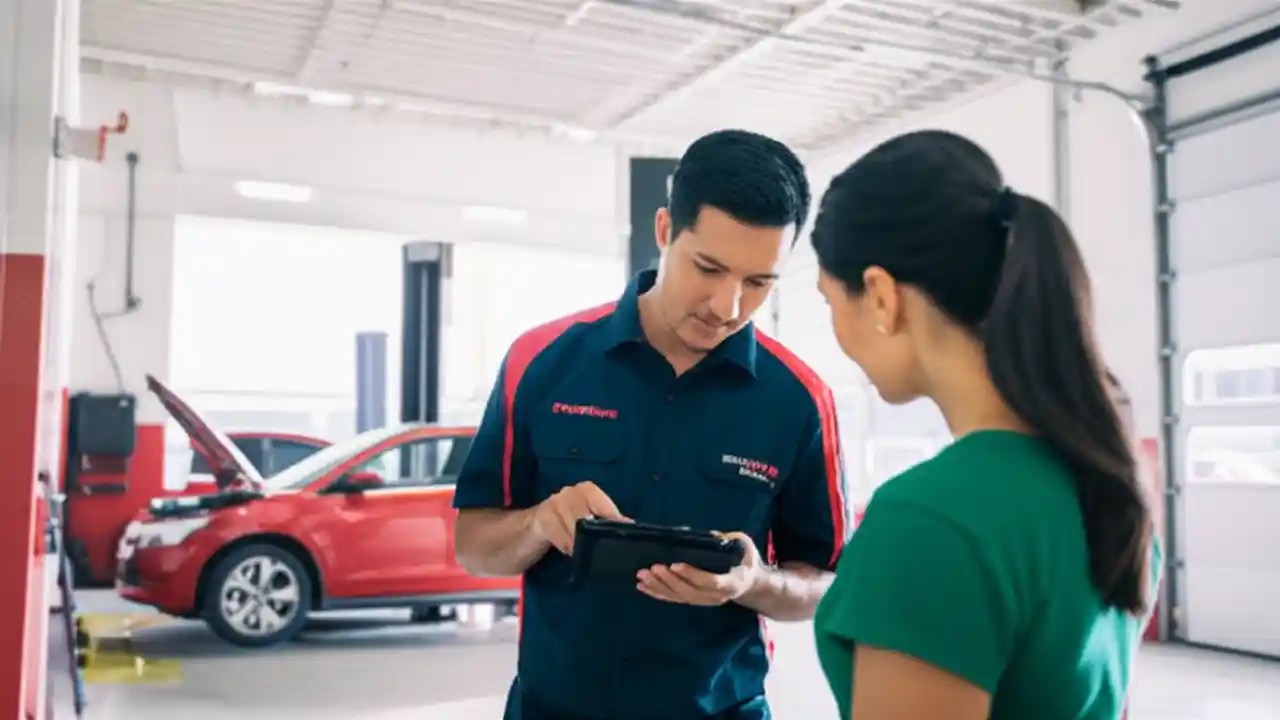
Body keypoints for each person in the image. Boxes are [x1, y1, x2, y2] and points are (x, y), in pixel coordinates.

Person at [452, 128, 850, 720]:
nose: (728, 305)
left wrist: (752, 582)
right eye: (708, 268)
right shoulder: (541, 362)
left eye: (758, 282)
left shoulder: (799, 400)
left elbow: (824, 585)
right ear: (665, 231)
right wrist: (539, 522)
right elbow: (473, 546)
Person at [808, 129, 1161, 719]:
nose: (835, 330)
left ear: (879, 295)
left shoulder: (930, 519)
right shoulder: (1101, 479)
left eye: (828, 301)